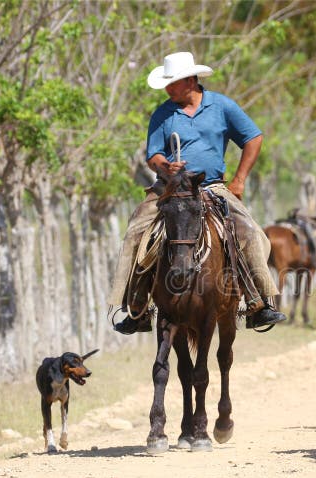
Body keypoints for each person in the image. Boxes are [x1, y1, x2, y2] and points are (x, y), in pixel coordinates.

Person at [109, 51, 285, 334]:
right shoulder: (163, 113)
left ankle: (260, 302)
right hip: (169, 188)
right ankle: (135, 307)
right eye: (167, 83)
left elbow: (253, 137)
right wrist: (165, 166)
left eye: (173, 82)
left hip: (212, 186)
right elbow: (152, 155)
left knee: (250, 233)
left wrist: (239, 180)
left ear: (191, 80)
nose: (168, 88)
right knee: (135, 231)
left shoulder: (222, 106)